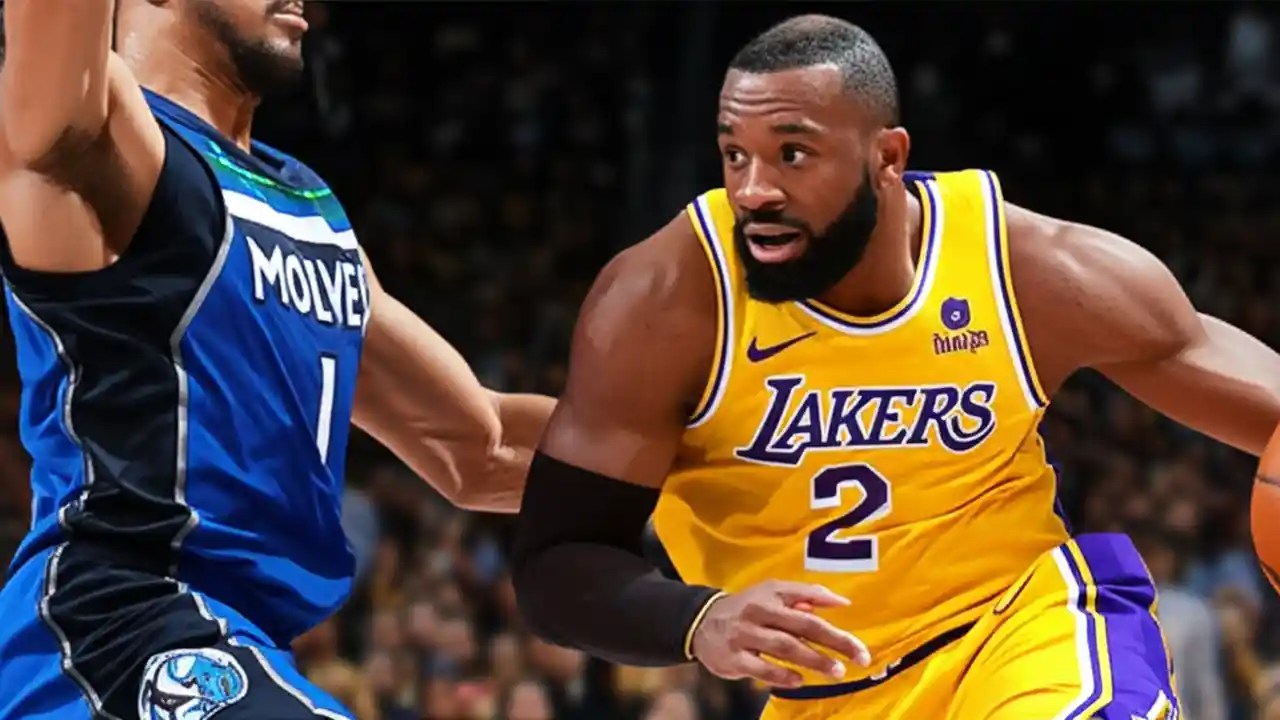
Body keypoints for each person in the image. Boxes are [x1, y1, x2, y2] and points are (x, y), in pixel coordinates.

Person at [512, 14, 1280, 720]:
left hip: (1022, 638)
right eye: (734, 154)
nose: (754, 189)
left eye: (793, 154)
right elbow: (558, 558)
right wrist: (697, 619)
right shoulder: (665, 299)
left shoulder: (1027, 271)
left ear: (887, 156)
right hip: (827, 696)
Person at [0, 1, 553, 719]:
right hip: (111, 630)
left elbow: (484, 446)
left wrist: (713, 452)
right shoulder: (100, 139)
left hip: (240, 642)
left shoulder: (306, 205)